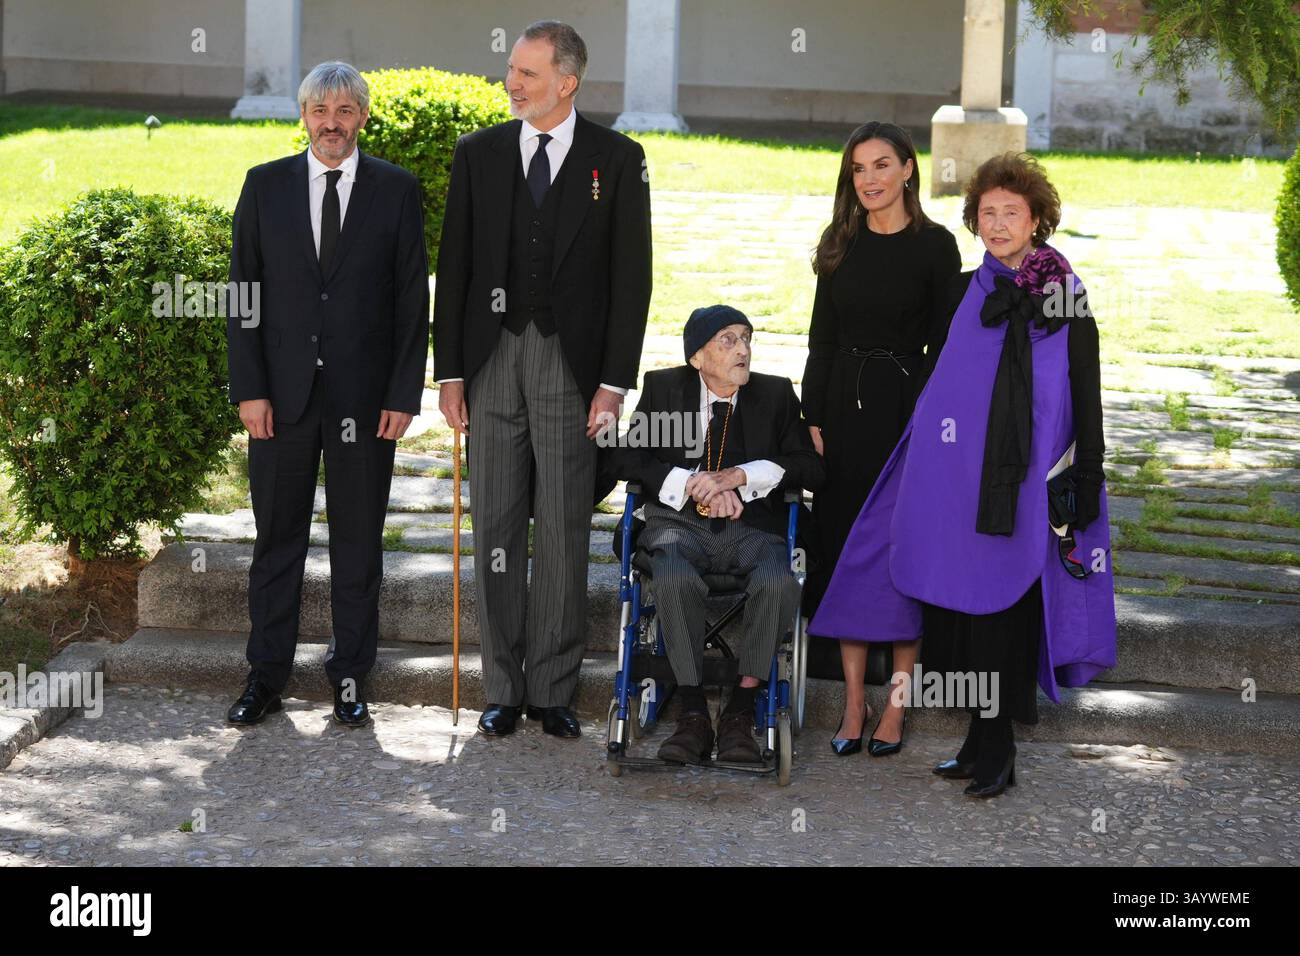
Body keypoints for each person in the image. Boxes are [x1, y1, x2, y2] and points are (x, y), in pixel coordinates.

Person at [809, 152, 1116, 797]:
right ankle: (978, 742)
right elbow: (942, 383)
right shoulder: (967, 290)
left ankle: (1001, 746)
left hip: (1031, 477)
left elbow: (1083, 383)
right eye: (987, 213)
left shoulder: (1063, 291)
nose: (999, 223)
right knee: (967, 610)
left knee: (1009, 604)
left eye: (1012, 212)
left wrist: (1089, 469)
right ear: (975, 222)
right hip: (963, 479)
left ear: (1038, 220)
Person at [433, 20, 652, 738]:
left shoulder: (618, 160)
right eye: (511, 70)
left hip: (572, 367)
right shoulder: (479, 154)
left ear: (568, 81)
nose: (512, 83)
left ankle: (553, 688)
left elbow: (632, 280)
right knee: (495, 521)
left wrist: (615, 382)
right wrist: (452, 372)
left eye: (528, 73)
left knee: (562, 525)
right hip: (492, 361)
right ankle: (502, 683)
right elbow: (456, 267)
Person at [225, 61, 430, 728]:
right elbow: (243, 297)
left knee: (358, 542)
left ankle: (349, 676)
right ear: (305, 116)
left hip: (365, 401)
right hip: (279, 400)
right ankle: (266, 677)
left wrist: (403, 392)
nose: (332, 123)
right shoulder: (264, 187)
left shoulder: (396, 191)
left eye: (345, 110)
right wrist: (249, 388)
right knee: (276, 539)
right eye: (321, 110)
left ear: (362, 117)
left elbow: (410, 301)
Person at [599, 305, 824, 764]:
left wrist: (740, 476)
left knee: (779, 581)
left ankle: (741, 710)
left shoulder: (775, 395)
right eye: (728, 340)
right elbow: (628, 459)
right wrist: (692, 483)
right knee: (675, 577)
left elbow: (810, 467)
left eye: (746, 338)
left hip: (752, 528)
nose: (743, 349)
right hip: (678, 526)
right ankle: (694, 713)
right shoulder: (664, 389)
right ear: (697, 357)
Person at [800, 122, 960, 757]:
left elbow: (945, 345)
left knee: (898, 554)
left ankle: (896, 707)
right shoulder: (838, 243)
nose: (868, 179)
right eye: (858, 169)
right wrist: (813, 416)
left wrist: (927, 418)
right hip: (841, 408)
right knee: (844, 551)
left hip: (908, 410)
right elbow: (820, 338)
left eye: (881, 165)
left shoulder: (936, 247)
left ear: (908, 170)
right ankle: (850, 703)